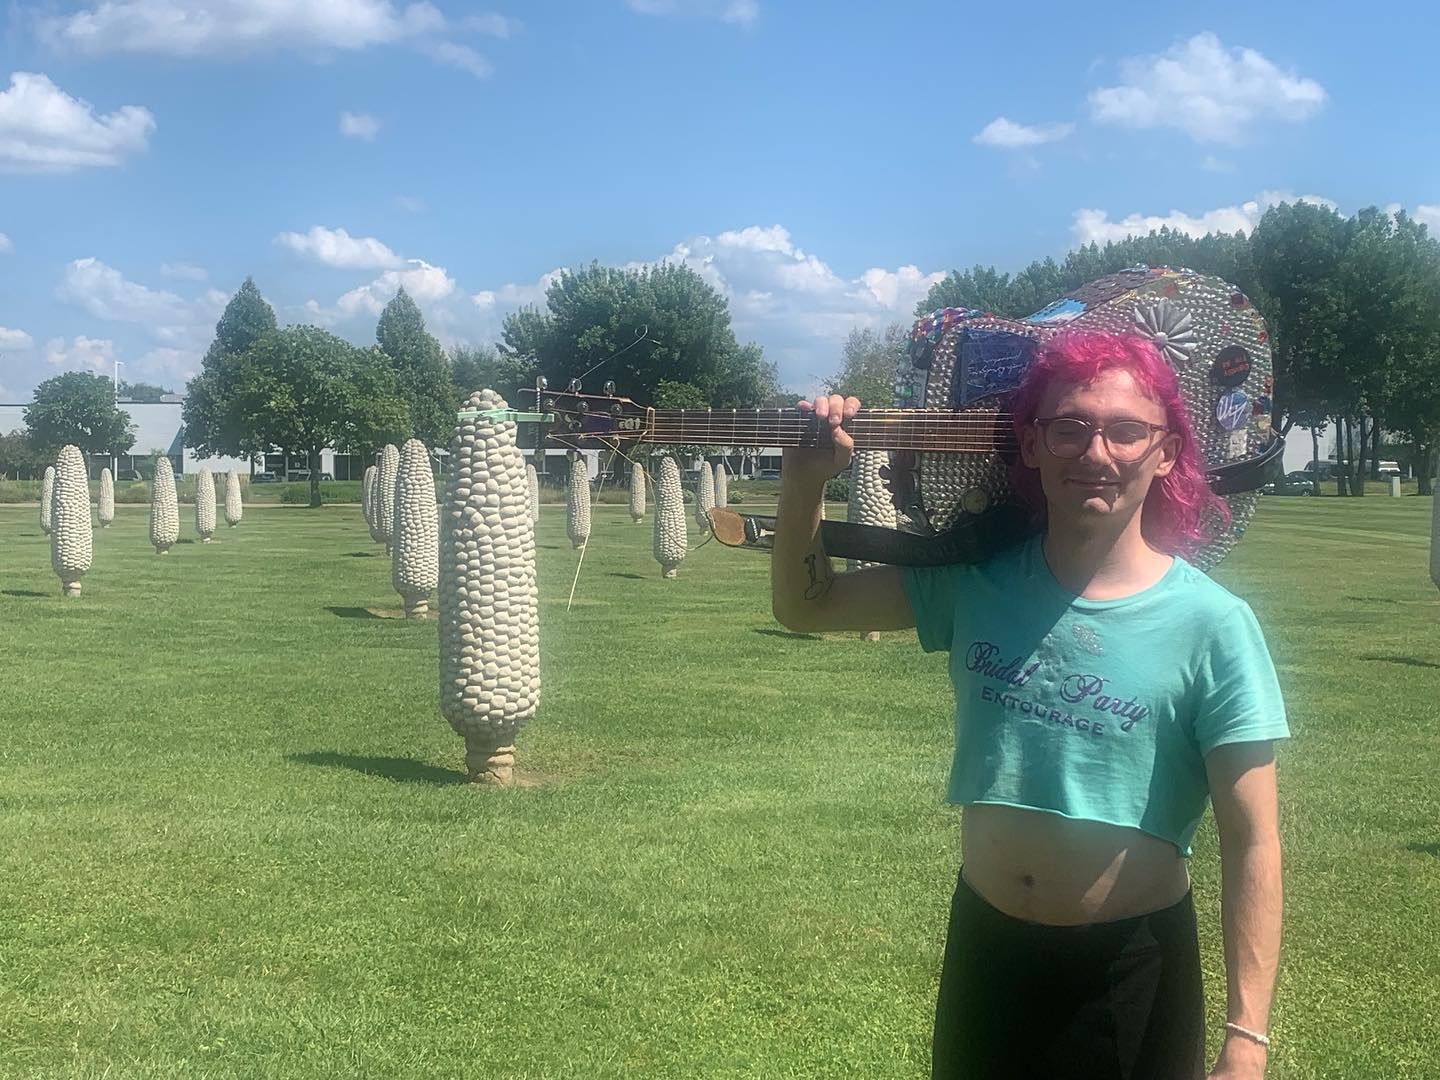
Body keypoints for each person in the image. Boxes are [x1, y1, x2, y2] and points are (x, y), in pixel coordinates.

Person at [771, 330, 1288, 1080]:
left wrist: (1247, 1037)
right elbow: (805, 606)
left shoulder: (1213, 624)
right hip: (987, 955)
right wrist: (804, 483)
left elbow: (1254, 841)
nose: (1096, 452)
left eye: (1126, 431)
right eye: (1069, 427)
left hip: (1131, 970)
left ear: (1166, 452)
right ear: (1032, 445)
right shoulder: (976, 580)